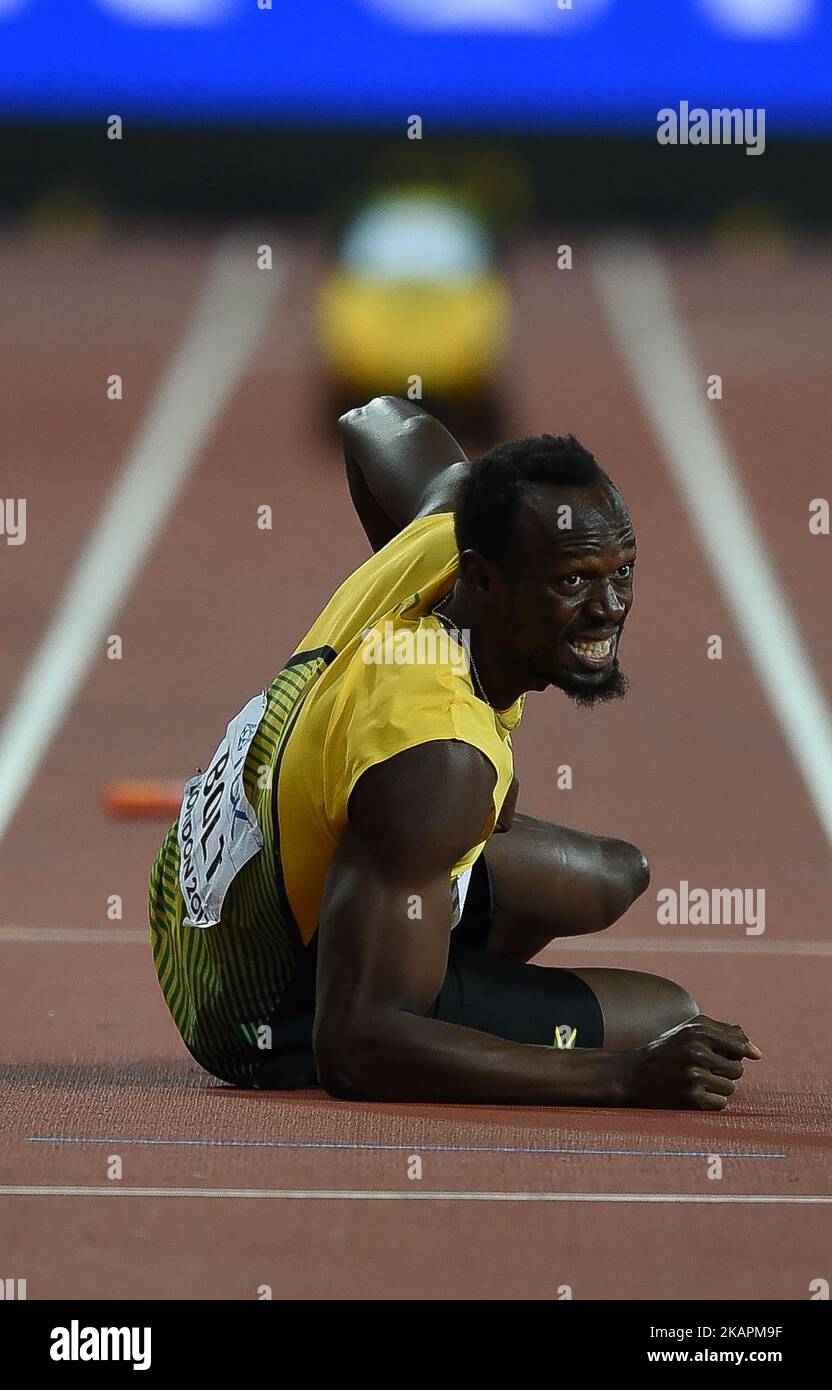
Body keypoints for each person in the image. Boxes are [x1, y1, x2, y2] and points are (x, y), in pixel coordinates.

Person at [149, 396, 761, 1105]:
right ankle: (397, 990)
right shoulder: (437, 759)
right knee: (667, 1015)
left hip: (211, 883)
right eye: (572, 582)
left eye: (620, 570)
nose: (610, 608)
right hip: (249, 1000)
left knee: (616, 874)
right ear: (483, 581)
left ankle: (406, 962)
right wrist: (621, 1077)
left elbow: (376, 420)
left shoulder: (450, 522)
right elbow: (352, 1050)